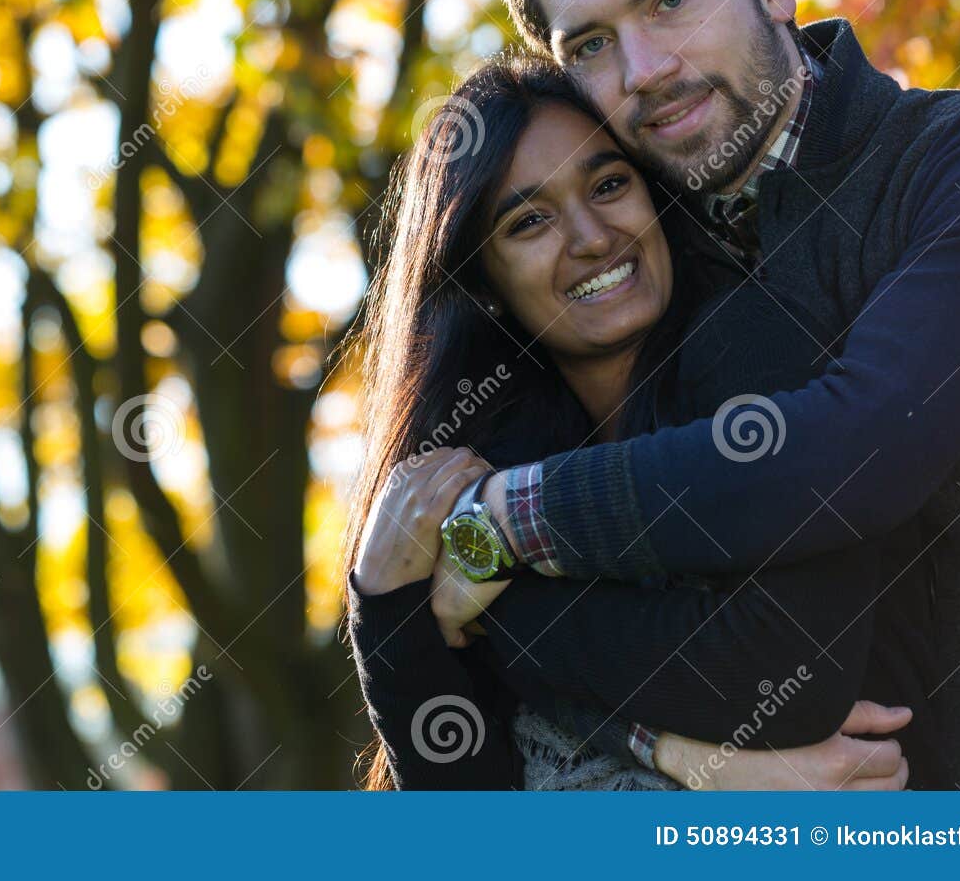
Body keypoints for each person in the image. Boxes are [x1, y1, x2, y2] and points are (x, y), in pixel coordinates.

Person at [432, 0, 960, 788]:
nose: (644, 69)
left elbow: (855, 448)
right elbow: (485, 652)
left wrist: (502, 519)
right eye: (592, 45)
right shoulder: (632, 271)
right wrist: (669, 750)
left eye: (670, 0)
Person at [345, 54, 917, 789]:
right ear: (484, 284)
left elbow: (789, 668)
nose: (591, 236)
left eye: (609, 183)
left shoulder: (756, 348)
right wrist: (387, 614)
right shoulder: (483, 459)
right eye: (530, 221)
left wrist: (507, 603)